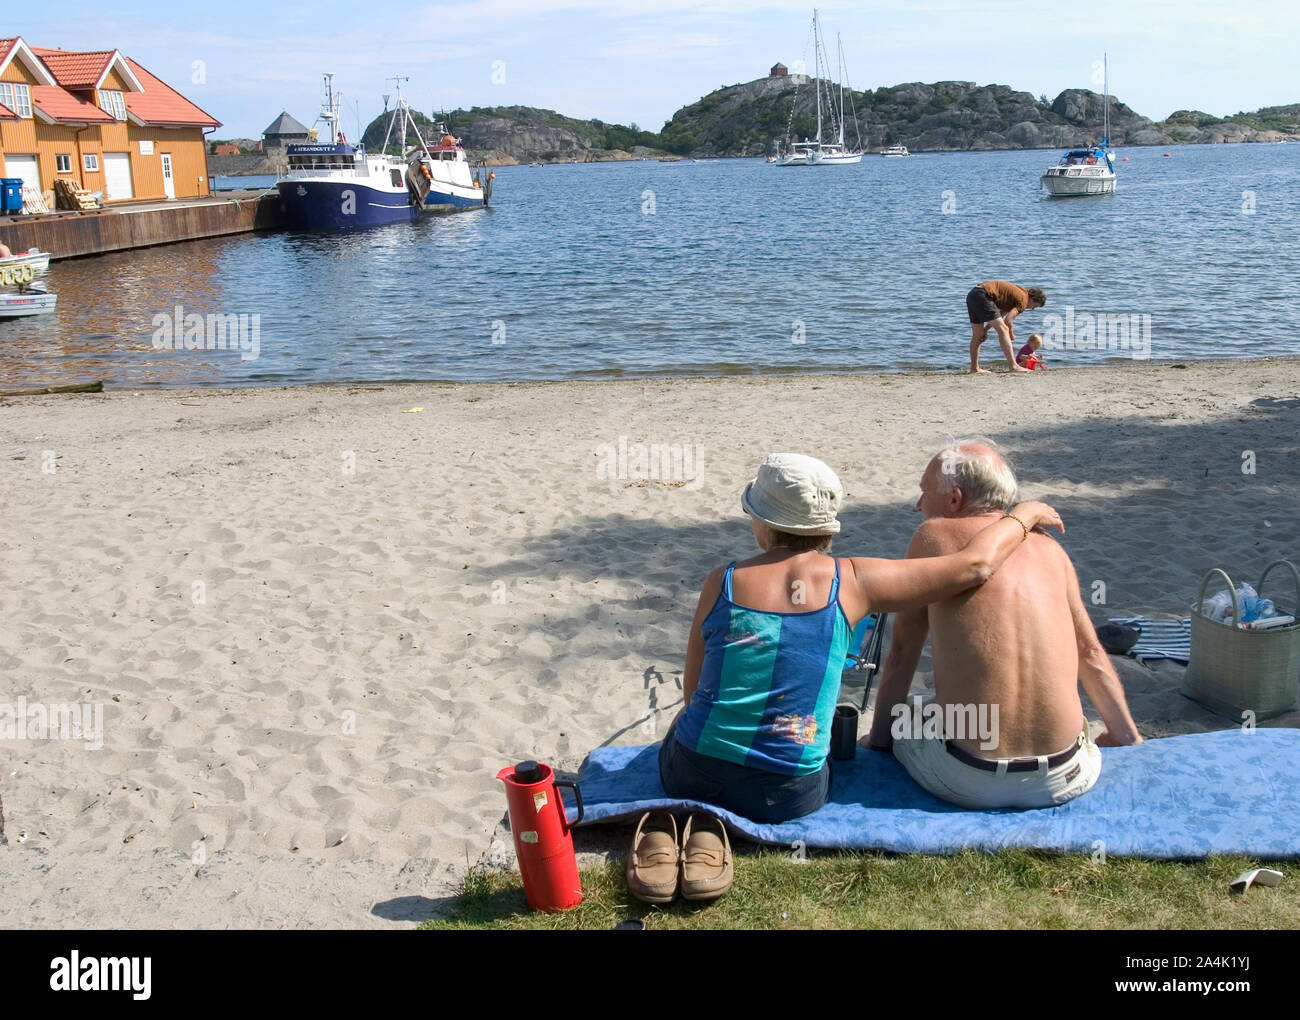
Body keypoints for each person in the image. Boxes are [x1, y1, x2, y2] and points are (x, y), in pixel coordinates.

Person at [658, 452, 1064, 823]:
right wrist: (1022, 516)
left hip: (692, 776)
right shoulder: (853, 582)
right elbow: (974, 566)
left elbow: (693, 697)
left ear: (763, 523)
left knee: (690, 720)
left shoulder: (721, 581)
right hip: (786, 795)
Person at [866, 440, 1143, 809]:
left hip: (966, 775)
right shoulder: (1051, 550)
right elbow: (1089, 652)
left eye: (924, 492)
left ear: (954, 500)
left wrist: (880, 745)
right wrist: (1125, 735)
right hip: (1065, 776)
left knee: (910, 716)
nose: (919, 505)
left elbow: (902, 652)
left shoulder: (931, 537)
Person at [967, 281, 1046, 374]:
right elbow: (1008, 321)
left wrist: (985, 330)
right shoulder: (1023, 300)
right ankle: (1013, 366)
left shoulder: (1016, 295)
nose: (1032, 309)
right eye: (1035, 306)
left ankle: (974, 368)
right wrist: (1011, 334)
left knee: (978, 336)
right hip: (984, 295)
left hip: (973, 294)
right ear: (1033, 299)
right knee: (1004, 330)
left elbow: (998, 316)